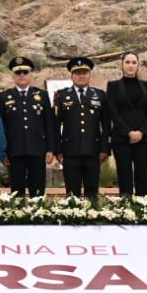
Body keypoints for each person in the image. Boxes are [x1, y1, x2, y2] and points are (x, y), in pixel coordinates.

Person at [0, 57, 55, 199]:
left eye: (25, 72)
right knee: (17, 191)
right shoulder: (4, 97)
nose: (22, 75)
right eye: (18, 73)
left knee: (38, 191)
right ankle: (18, 218)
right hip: (14, 151)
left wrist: (50, 149)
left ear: (30, 75)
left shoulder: (42, 95)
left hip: (38, 150)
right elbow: (0, 127)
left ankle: (39, 216)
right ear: (13, 76)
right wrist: (2, 152)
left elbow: (50, 124)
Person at [53, 57, 109, 202]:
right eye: (77, 73)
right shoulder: (61, 96)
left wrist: (105, 149)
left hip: (94, 152)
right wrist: (58, 151)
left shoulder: (100, 95)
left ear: (90, 75)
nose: (81, 76)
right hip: (69, 153)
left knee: (92, 195)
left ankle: (93, 222)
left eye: (84, 72)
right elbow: (55, 125)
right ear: (72, 75)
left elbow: (107, 126)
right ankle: (72, 221)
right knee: (72, 196)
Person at [106, 51, 147, 198]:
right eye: (127, 62)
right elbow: (113, 112)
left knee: (142, 176)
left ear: (138, 66)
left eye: (134, 62)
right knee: (124, 175)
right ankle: (126, 209)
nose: (131, 65)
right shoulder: (113, 86)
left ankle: (143, 208)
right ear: (121, 65)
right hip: (122, 139)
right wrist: (128, 132)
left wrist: (141, 132)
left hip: (143, 139)